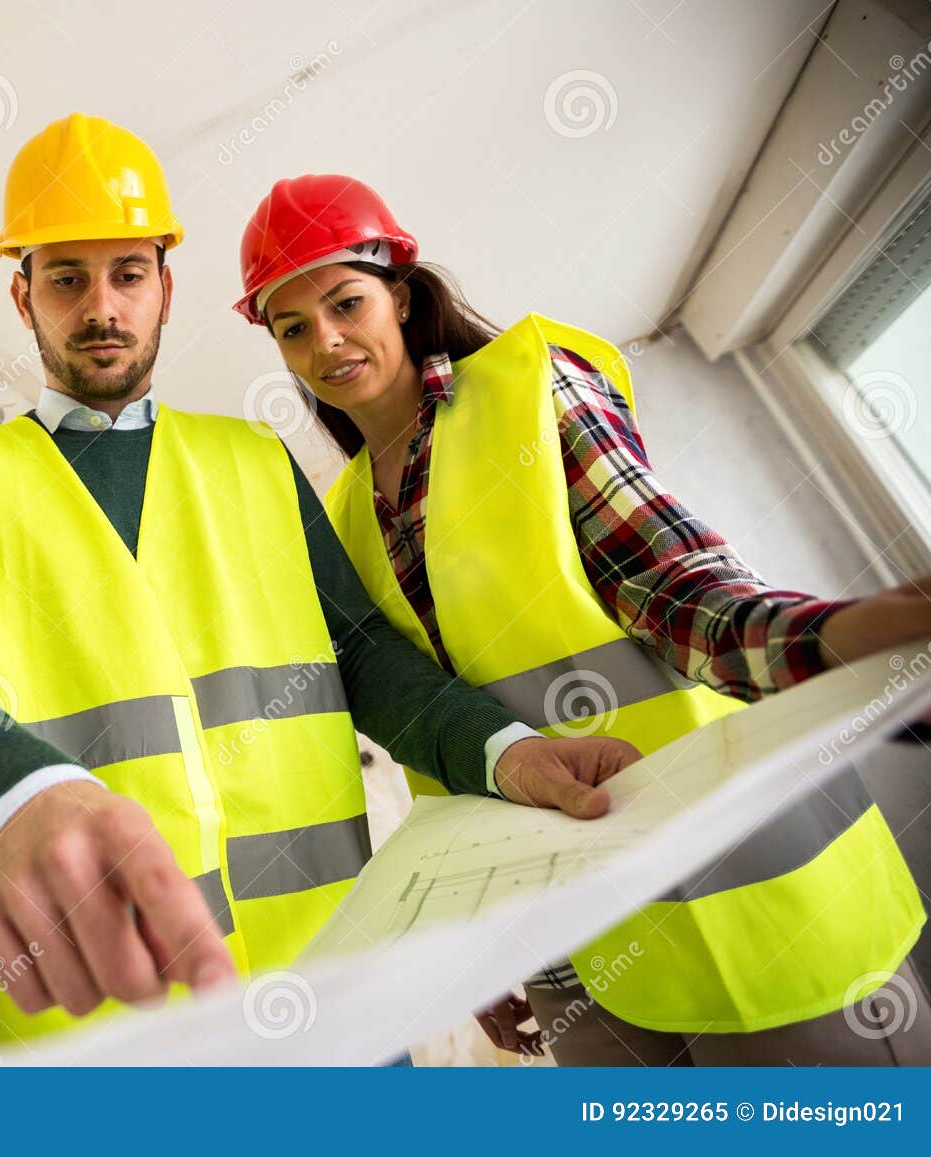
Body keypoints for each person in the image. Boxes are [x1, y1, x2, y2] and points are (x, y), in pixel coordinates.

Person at [0, 114, 640, 1049]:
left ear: (165, 288)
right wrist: (17, 793)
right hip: (119, 1038)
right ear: (21, 294)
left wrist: (504, 749)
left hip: (335, 998)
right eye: (66, 278)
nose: (101, 307)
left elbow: (365, 657)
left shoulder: (256, 459)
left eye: (128, 275)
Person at [234, 172, 931, 1065]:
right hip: (573, 950)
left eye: (345, 302)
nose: (326, 341)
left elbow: (675, 585)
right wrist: (484, 945)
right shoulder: (339, 525)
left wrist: (833, 642)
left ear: (400, 296)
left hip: (751, 891)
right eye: (292, 328)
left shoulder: (528, 390)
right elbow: (442, 741)